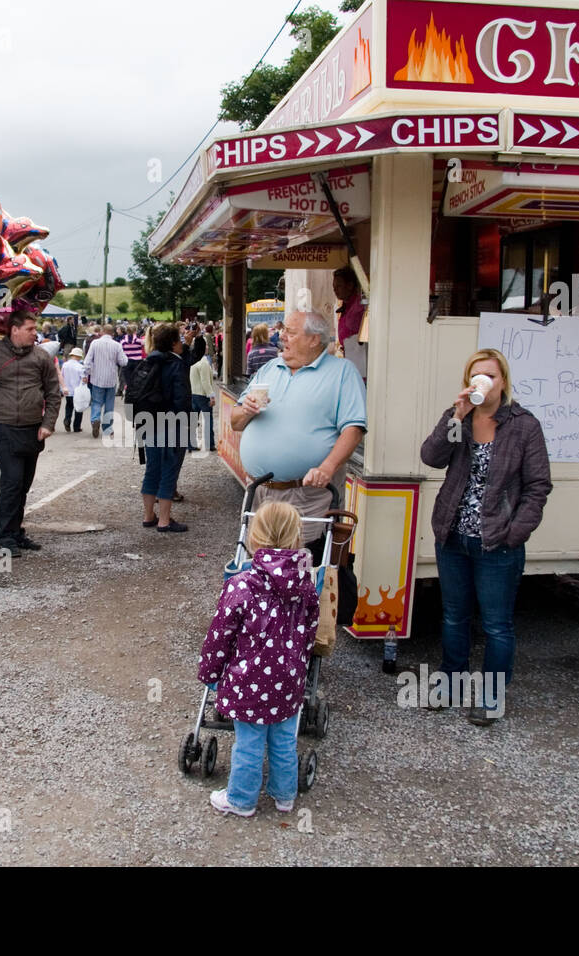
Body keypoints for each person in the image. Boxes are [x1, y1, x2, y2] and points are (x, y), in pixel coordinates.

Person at [420, 348, 551, 726]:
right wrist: (454, 416)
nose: (483, 382)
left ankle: (492, 696)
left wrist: (515, 533)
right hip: (453, 536)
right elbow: (431, 456)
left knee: (496, 624)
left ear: (503, 382)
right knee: (455, 616)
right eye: (476, 375)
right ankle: (450, 684)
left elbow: (538, 486)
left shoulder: (524, 425)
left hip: (498, 542)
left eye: (490, 376)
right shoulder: (460, 418)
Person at [231, 310, 366, 624]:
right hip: (260, 491)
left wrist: (328, 466)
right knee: (259, 568)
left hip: (307, 493)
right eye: (281, 330)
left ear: (314, 339)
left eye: (290, 332)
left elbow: (353, 428)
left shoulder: (341, 373)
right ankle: (264, 634)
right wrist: (246, 411)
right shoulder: (268, 369)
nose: (282, 337)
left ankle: (298, 640)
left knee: (303, 573)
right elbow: (236, 421)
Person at [199, 501, 318, 817]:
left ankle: (241, 800)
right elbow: (309, 631)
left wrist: (210, 670)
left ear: (255, 538)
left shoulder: (242, 584)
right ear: (296, 538)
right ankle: (284, 796)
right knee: (283, 740)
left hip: (249, 681)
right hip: (289, 680)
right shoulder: (306, 585)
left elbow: (221, 633)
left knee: (249, 744)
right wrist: (300, 663)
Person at [0, 311, 60, 557]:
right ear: (14, 330)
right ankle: (5, 538)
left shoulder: (41, 356)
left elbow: (53, 393)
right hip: (2, 428)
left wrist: (48, 423)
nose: (36, 333)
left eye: (35, 329)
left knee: (23, 484)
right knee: (12, 481)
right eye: (30, 329)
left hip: (33, 429)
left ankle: (16, 532)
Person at [137, 322, 191, 532]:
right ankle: (165, 520)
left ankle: (149, 515)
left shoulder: (148, 361)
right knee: (169, 470)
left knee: (152, 469)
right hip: (171, 425)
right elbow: (182, 399)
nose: (182, 344)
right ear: (173, 343)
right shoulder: (176, 365)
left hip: (148, 423)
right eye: (180, 340)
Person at [81, 323, 127, 438]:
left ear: (102, 331)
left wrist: (85, 373)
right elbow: (123, 362)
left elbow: (87, 360)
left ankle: (95, 419)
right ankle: (107, 427)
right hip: (111, 378)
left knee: (96, 401)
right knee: (109, 404)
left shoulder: (95, 343)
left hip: (97, 377)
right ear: (113, 333)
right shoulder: (117, 345)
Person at [333, 265, 368, 379]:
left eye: (339, 286)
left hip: (362, 359)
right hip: (351, 357)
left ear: (350, 285)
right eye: (334, 287)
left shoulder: (360, 306)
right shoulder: (345, 306)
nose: (335, 290)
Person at [189, 347, 216, 452]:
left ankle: (190, 444)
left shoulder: (192, 361)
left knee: (192, 420)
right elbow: (205, 381)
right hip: (203, 395)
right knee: (208, 420)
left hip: (193, 393)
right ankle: (209, 444)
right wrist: (211, 395)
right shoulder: (204, 362)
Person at [59, 347, 86, 433]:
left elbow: (61, 376)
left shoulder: (65, 365)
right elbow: (84, 380)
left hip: (68, 390)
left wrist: (62, 388)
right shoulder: (80, 367)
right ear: (79, 356)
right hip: (78, 391)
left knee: (69, 406)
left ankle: (67, 420)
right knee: (78, 409)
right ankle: (76, 427)